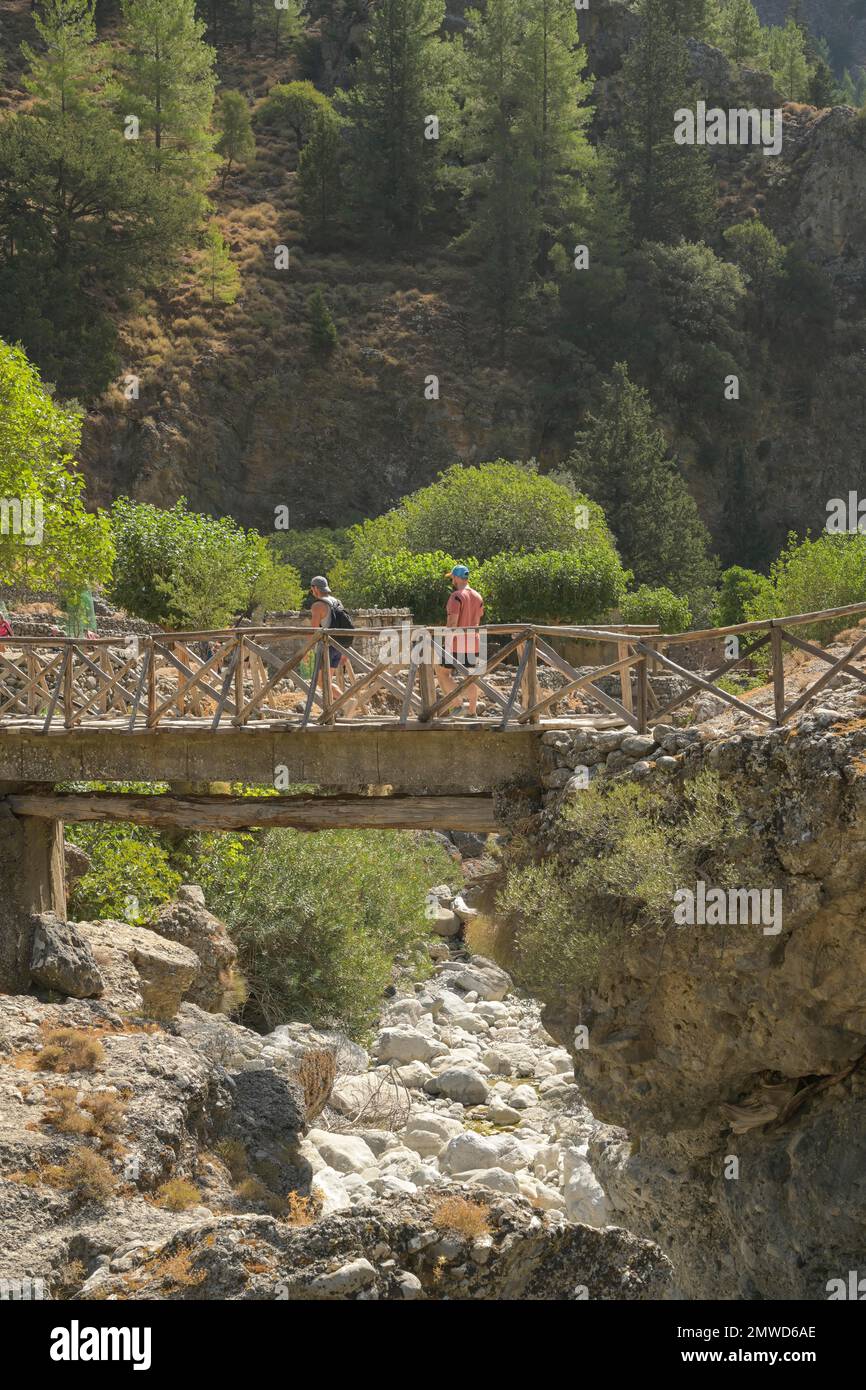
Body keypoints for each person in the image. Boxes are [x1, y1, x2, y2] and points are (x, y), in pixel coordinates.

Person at [435, 564, 485, 717]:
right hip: (474, 641)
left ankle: (457, 705)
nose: (452, 581)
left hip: (457, 642)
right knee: (470, 677)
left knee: (442, 673)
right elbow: (479, 617)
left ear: (456, 578)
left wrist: (442, 636)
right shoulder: (478, 596)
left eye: (452, 578)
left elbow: (452, 623)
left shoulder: (456, 596)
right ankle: (472, 711)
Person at [309, 575, 357, 713]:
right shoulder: (337, 602)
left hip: (326, 648)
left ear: (315, 588)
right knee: (326, 681)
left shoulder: (317, 605)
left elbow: (313, 631)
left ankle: (346, 702)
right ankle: (332, 710)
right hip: (338, 646)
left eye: (312, 589)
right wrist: (345, 649)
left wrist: (307, 651)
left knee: (321, 681)